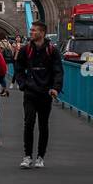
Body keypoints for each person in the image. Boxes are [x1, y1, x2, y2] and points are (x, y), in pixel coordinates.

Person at [15, 21, 63, 168]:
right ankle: (27, 156)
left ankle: (40, 156)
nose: (31, 32)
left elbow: (58, 71)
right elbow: (18, 68)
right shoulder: (25, 50)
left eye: (34, 30)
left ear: (42, 33)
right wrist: (23, 84)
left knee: (43, 125)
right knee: (28, 124)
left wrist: (55, 88)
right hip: (30, 92)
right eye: (31, 30)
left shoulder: (52, 51)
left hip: (45, 93)